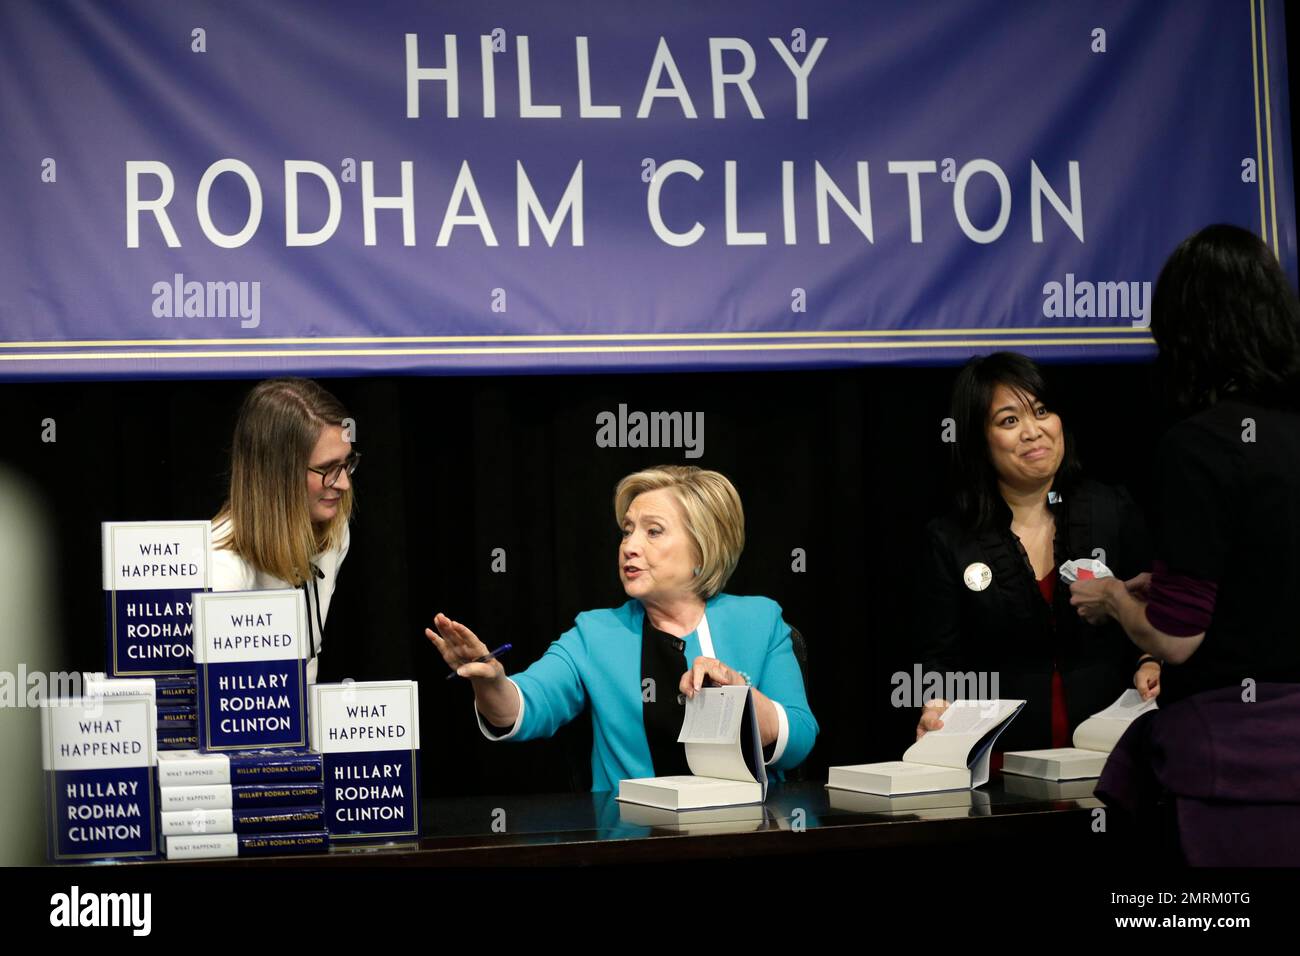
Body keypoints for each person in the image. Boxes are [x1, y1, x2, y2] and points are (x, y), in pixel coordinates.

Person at [1072, 224, 1300, 864]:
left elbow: (1177, 637)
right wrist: (1163, 588)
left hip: (1239, 777)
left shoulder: (1200, 445)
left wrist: (1116, 597)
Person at [426, 465, 817, 792]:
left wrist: (741, 698)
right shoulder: (595, 634)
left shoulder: (759, 621)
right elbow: (526, 707)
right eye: (627, 530)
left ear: (702, 548)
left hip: (746, 837)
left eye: (653, 531)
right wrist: (491, 681)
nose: (630, 545)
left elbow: (799, 738)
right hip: (629, 841)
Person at [915, 352, 1153, 755]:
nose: (1032, 431)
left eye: (1041, 411)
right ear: (979, 439)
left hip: (1112, 753)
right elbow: (942, 658)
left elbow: (1155, 609)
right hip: (1003, 761)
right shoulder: (950, 537)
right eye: (1010, 420)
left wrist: (1150, 662)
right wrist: (936, 705)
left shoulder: (1113, 509)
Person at [210, 378, 358, 684]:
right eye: (328, 469)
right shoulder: (219, 567)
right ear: (278, 475)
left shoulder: (334, 528)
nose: (343, 483)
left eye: (346, 464)